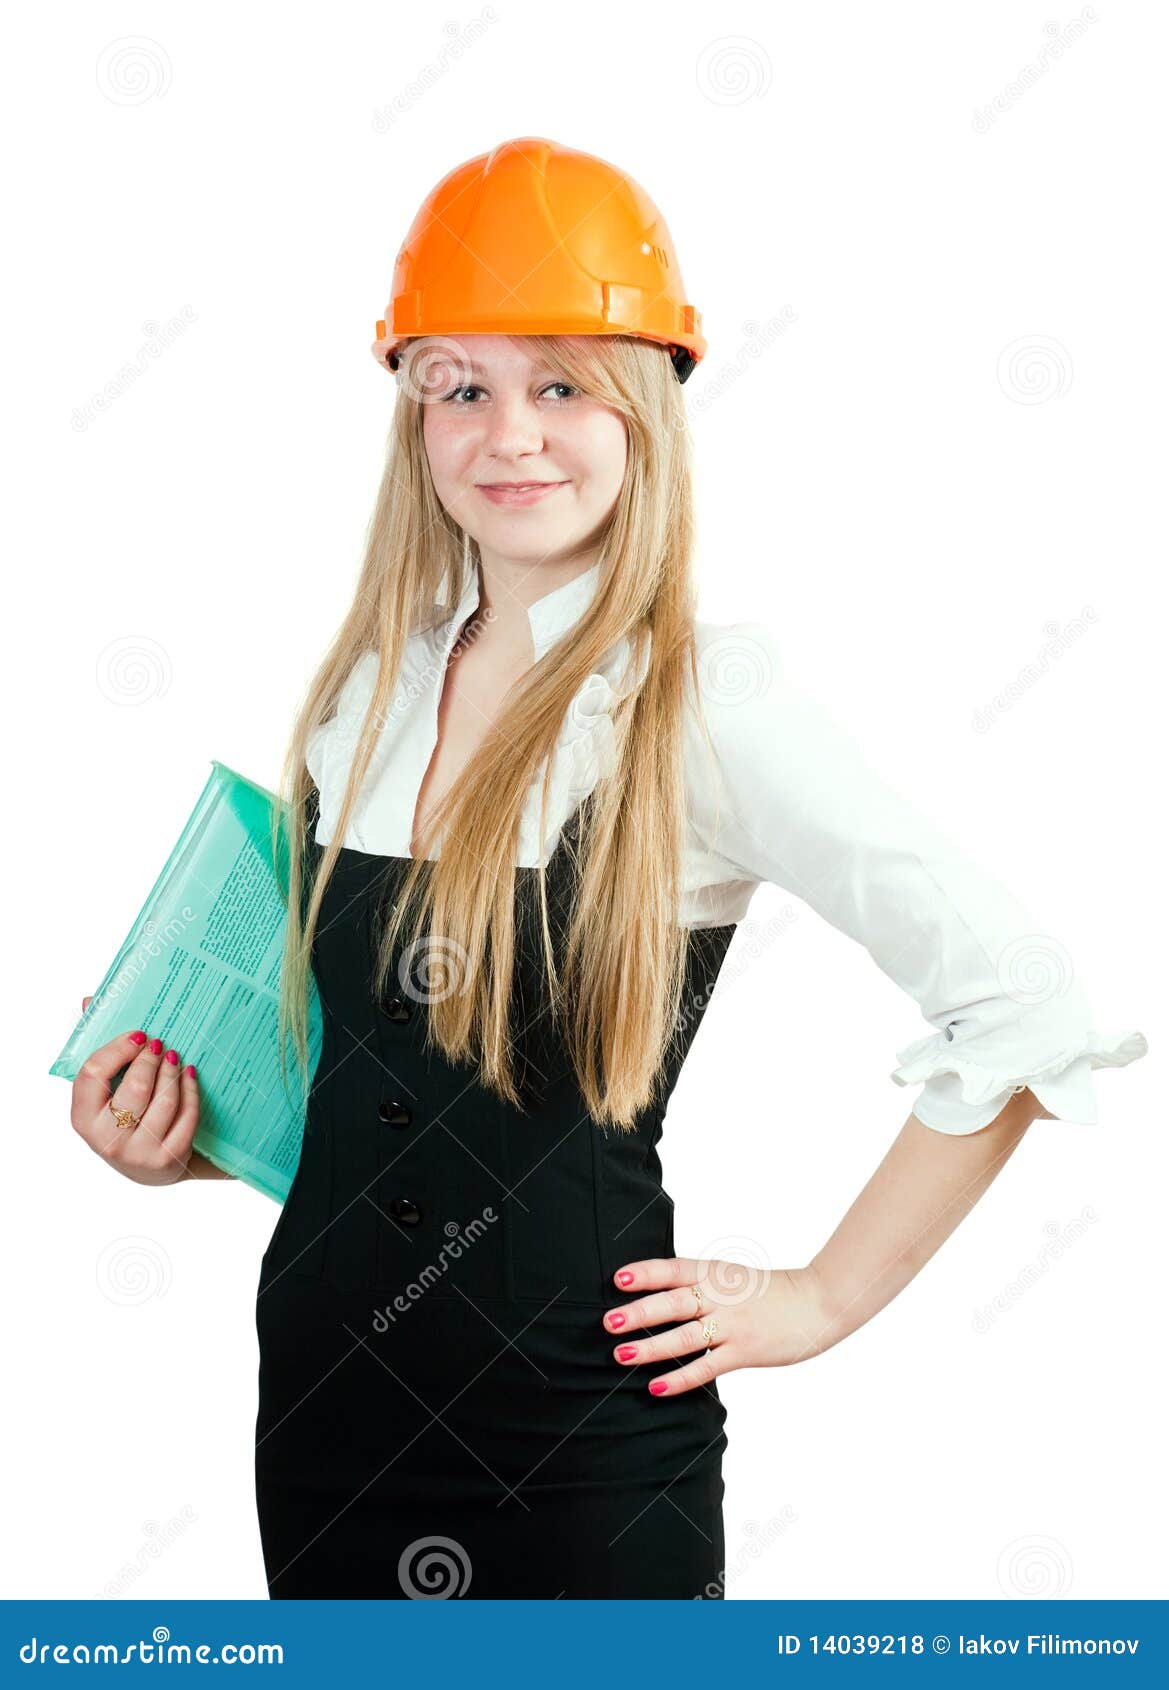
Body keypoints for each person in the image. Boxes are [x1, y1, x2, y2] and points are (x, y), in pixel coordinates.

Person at [69, 136, 1148, 1600]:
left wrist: (821, 1296)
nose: (510, 433)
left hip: (574, 1455)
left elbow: (1023, 1000)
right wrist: (178, 1146)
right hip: (322, 1421)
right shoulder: (361, 696)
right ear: (413, 415)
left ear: (643, 407)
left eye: (561, 382)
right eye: (462, 385)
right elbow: (373, 1092)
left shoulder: (701, 703)